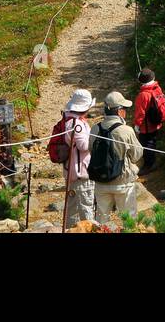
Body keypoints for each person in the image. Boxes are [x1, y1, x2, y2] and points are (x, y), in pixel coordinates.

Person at [90, 91, 145, 224]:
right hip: (123, 182)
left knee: (101, 220)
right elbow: (137, 154)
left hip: (100, 181)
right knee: (129, 220)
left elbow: (90, 149)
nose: (125, 111)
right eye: (124, 109)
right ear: (119, 111)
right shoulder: (126, 130)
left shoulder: (95, 129)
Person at [60, 88, 95, 226]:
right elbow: (83, 146)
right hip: (81, 174)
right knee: (86, 210)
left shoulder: (70, 122)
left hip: (73, 173)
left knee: (72, 211)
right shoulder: (77, 125)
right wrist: (96, 140)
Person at [133, 68, 165, 175]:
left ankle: (149, 165)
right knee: (152, 141)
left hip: (146, 126)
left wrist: (137, 125)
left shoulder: (143, 95)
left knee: (146, 145)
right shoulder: (157, 88)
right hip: (157, 122)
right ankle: (152, 160)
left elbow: (140, 113)